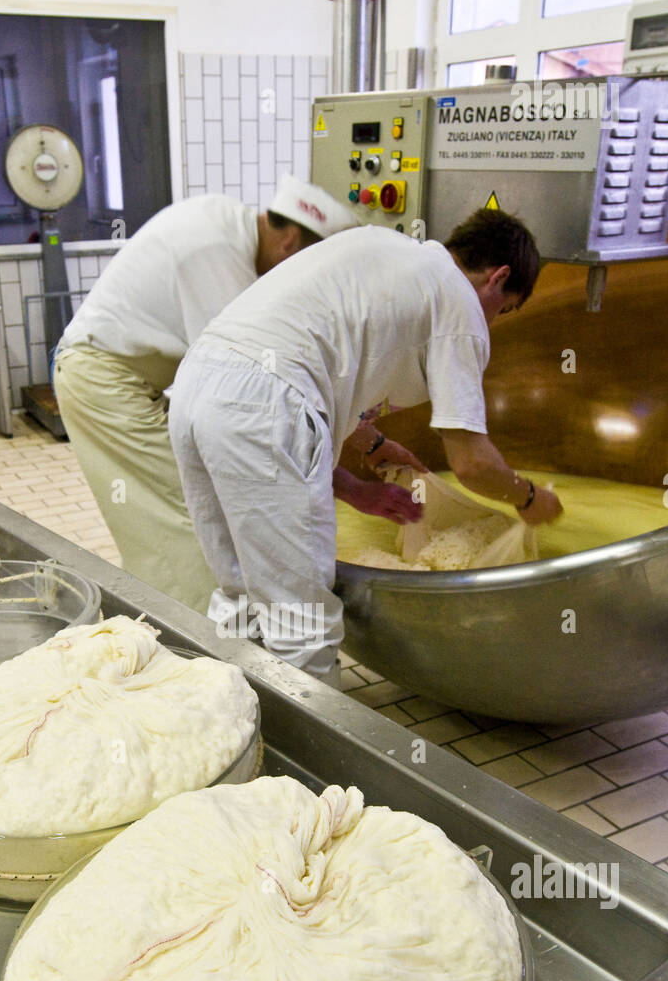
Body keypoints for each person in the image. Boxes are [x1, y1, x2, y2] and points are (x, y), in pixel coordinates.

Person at [167, 207, 564, 681]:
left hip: (195, 386)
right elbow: (472, 462)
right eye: (503, 310)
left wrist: (371, 452)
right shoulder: (458, 301)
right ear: (497, 278)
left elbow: (308, 361)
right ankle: (310, 750)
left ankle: (235, 728)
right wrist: (529, 498)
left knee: (243, 595)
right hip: (262, 404)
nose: (493, 323)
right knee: (302, 623)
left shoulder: (379, 246)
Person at [52, 179, 358, 611]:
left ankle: (188, 633)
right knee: (183, 523)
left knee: (184, 514)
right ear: (289, 242)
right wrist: (329, 473)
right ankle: (196, 652)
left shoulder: (229, 224)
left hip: (127, 379)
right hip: (102, 381)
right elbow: (245, 390)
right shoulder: (215, 257)